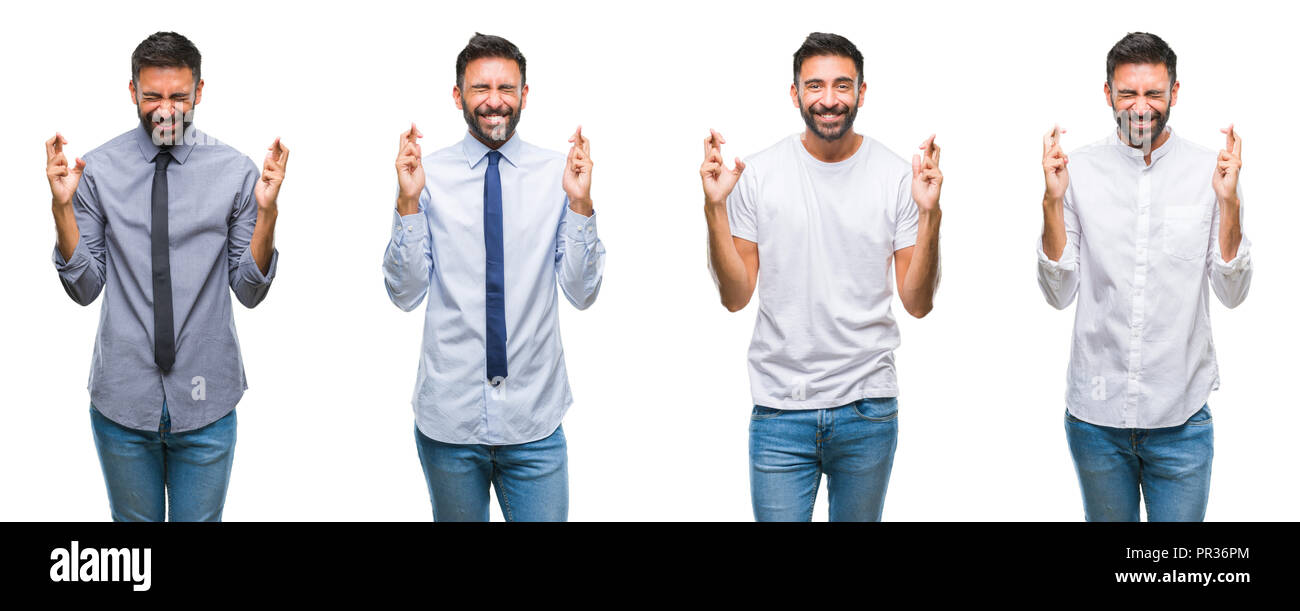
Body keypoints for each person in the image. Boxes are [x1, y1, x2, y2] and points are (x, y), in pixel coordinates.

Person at [700, 32, 943, 521]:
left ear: (861, 91)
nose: (829, 100)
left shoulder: (898, 176)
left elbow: (917, 303)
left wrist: (931, 214)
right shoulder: (760, 173)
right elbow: (734, 297)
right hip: (779, 411)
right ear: (795, 94)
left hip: (867, 409)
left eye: (841, 85)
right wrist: (714, 207)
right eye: (815, 86)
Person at [47, 31, 287, 521]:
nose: (165, 110)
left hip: (207, 403)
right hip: (122, 400)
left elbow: (250, 290)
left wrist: (268, 213)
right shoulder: (96, 171)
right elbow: (84, 287)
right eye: (153, 96)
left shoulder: (235, 172)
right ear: (133, 92)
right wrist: (62, 207)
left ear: (199, 91)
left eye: (179, 96)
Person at [382, 33, 606, 522]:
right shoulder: (426, 175)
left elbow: (583, 292)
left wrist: (581, 203)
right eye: (480, 87)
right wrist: (407, 203)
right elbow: (404, 293)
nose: (494, 100)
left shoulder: (559, 174)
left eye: (507, 87)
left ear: (525, 95)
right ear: (458, 96)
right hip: (450, 421)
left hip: (534, 422)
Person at [1037, 32, 1251, 521]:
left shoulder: (1210, 172)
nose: (1140, 107)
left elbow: (1233, 291)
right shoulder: (1078, 172)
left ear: (1174, 93)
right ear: (1108, 93)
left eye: (1154, 93)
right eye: (1128, 93)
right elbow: (1058, 291)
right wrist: (1051, 200)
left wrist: (1230, 202)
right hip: (1096, 419)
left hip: (1181, 419)